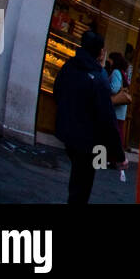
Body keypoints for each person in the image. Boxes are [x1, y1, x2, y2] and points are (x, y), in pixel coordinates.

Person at [53, 30, 125, 203]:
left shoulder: (69, 66)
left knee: (77, 180)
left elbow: (57, 91)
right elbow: (107, 118)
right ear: (100, 52)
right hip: (88, 141)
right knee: (82, 185)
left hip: (68, 131)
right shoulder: (99, 77)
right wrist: (119, 154)